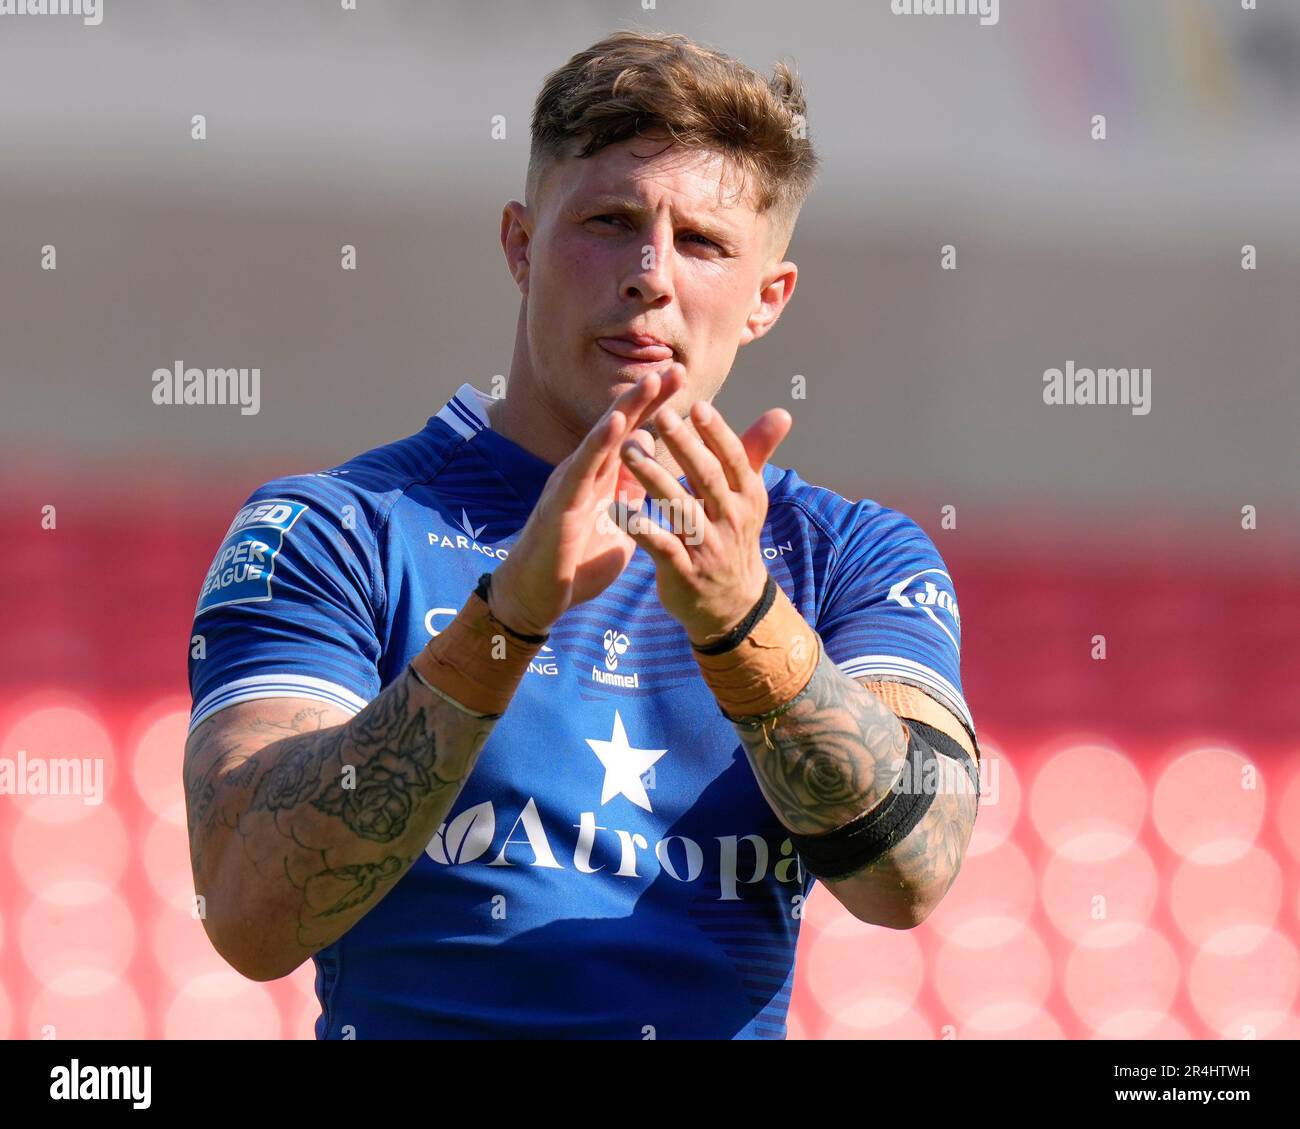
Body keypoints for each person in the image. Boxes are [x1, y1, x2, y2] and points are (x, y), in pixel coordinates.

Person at [183, 29, 981, 1040]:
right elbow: (249, 911)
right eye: (608, 222)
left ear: (768, 297)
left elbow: (909, 873)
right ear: (519, 243)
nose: (650, 274)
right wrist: (502, 626)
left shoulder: (850, 556)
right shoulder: (333, 528)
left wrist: (745, 626)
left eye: (702, 242)